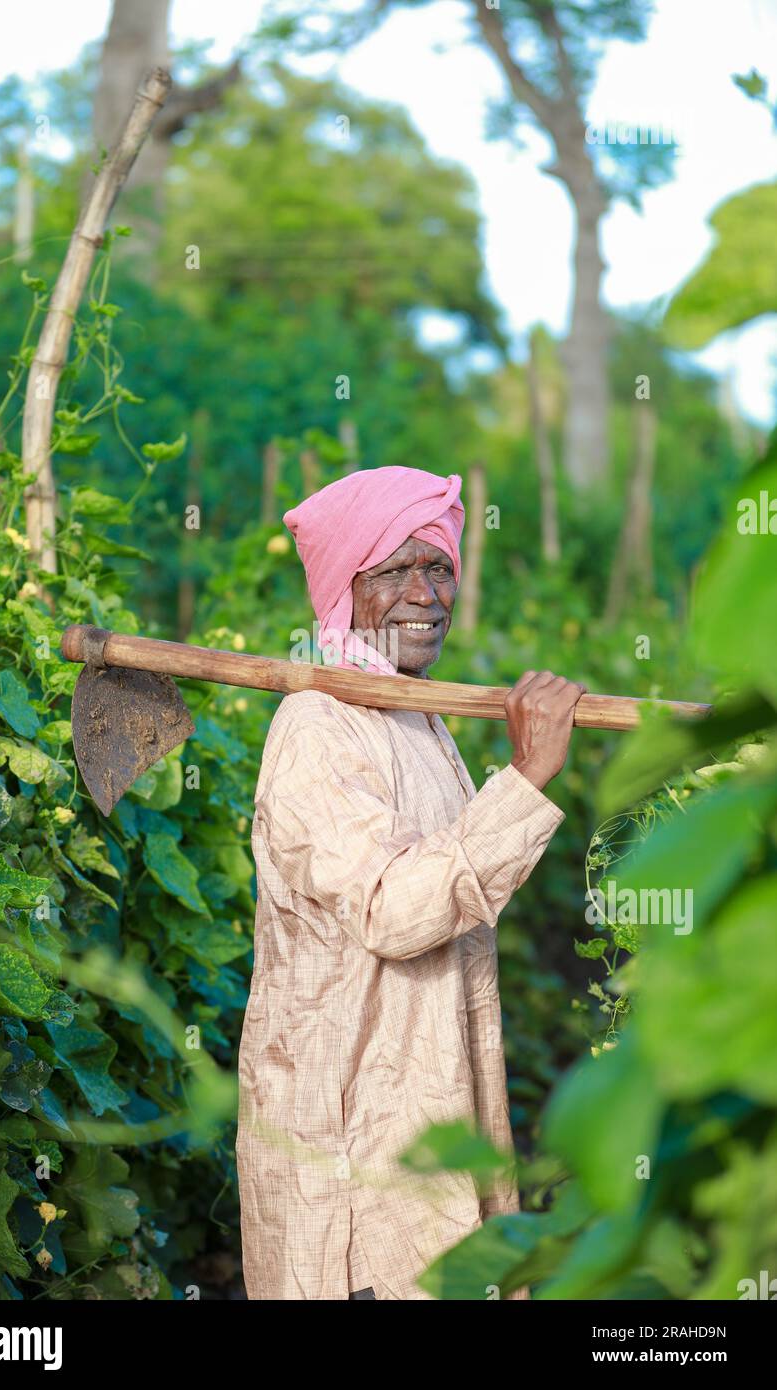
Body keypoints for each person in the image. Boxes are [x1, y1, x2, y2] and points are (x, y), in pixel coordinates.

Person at [235, 466, 587, 1300]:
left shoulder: (421, 719)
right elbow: (396, 912)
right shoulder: (319, 726)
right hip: (352, 1138)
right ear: (344, 587)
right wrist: (531, 774)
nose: (424, 594)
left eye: (439, 568)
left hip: (427, 1117)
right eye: (394, 571)